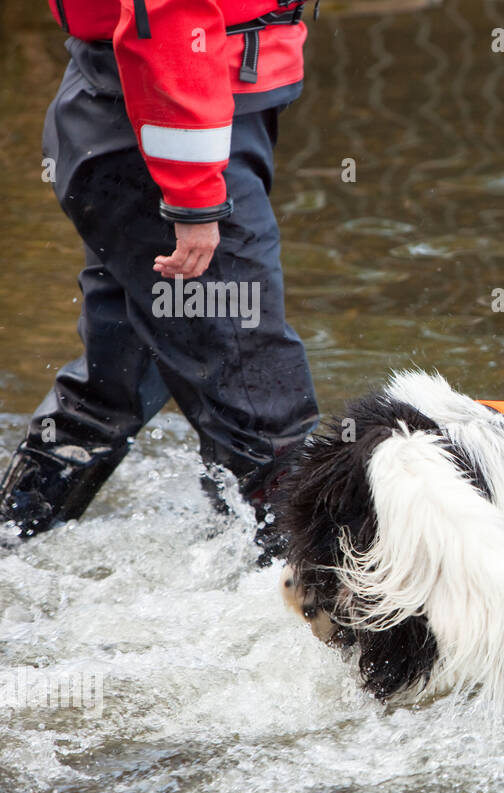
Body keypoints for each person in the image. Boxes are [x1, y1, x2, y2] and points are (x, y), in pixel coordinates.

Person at [0, 0, 320, 563]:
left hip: (148, 120)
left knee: (116, 383)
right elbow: (172, 14)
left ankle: (13, 543)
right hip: (162, 133)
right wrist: (193, 201)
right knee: (260, 404)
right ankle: (315, 612)